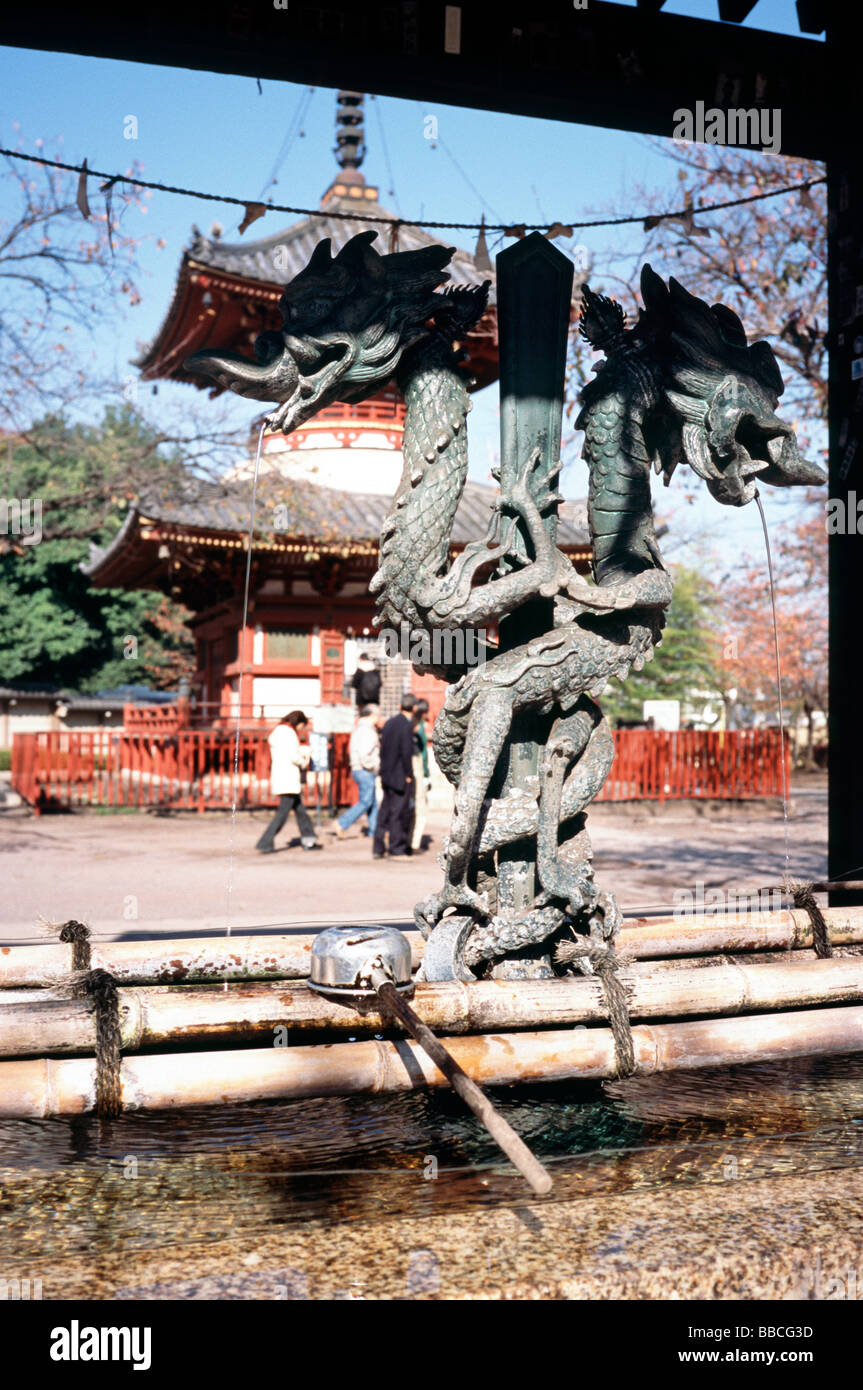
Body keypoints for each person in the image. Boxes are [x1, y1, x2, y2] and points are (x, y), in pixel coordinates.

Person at [255, 710, 321, 853]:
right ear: (299, 723)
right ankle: (265, 842)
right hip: (289, 777)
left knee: (300, 811)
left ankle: (309, 838)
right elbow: (293, 756)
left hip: (281, 775)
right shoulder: (289, 733)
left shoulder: (278, 731)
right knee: (283, 813)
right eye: (302, 726)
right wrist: (304, 759)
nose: (301, 729)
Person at [373, 693, 415, 859]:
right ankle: (396, 848)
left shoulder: (389, 723)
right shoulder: (406, 725)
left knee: (385, 811)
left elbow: (383, 748)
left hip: (386, 773)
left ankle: (378, 847)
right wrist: (408, 774)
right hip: (399, 775)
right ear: (414, 708)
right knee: (399, 812)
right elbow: (406, 752)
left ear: (400, 706)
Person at [333, 704, 381, 839]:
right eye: (378, 715)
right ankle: (342, 823)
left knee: (372, 801)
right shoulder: (366, 730)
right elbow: (365, 753)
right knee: (366, 801)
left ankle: (374, 830)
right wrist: (372, 766)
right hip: (364, 769)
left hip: (360, 768)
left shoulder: (360, 727)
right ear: (372, 715)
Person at [410, 699, 431, 853]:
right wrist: (426, 774)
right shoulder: (419, 728)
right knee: (421, 806)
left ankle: (409, 838)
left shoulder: (407, 724)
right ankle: (415, 842)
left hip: (406, 770)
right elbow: (423, 754)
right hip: (417, 768)